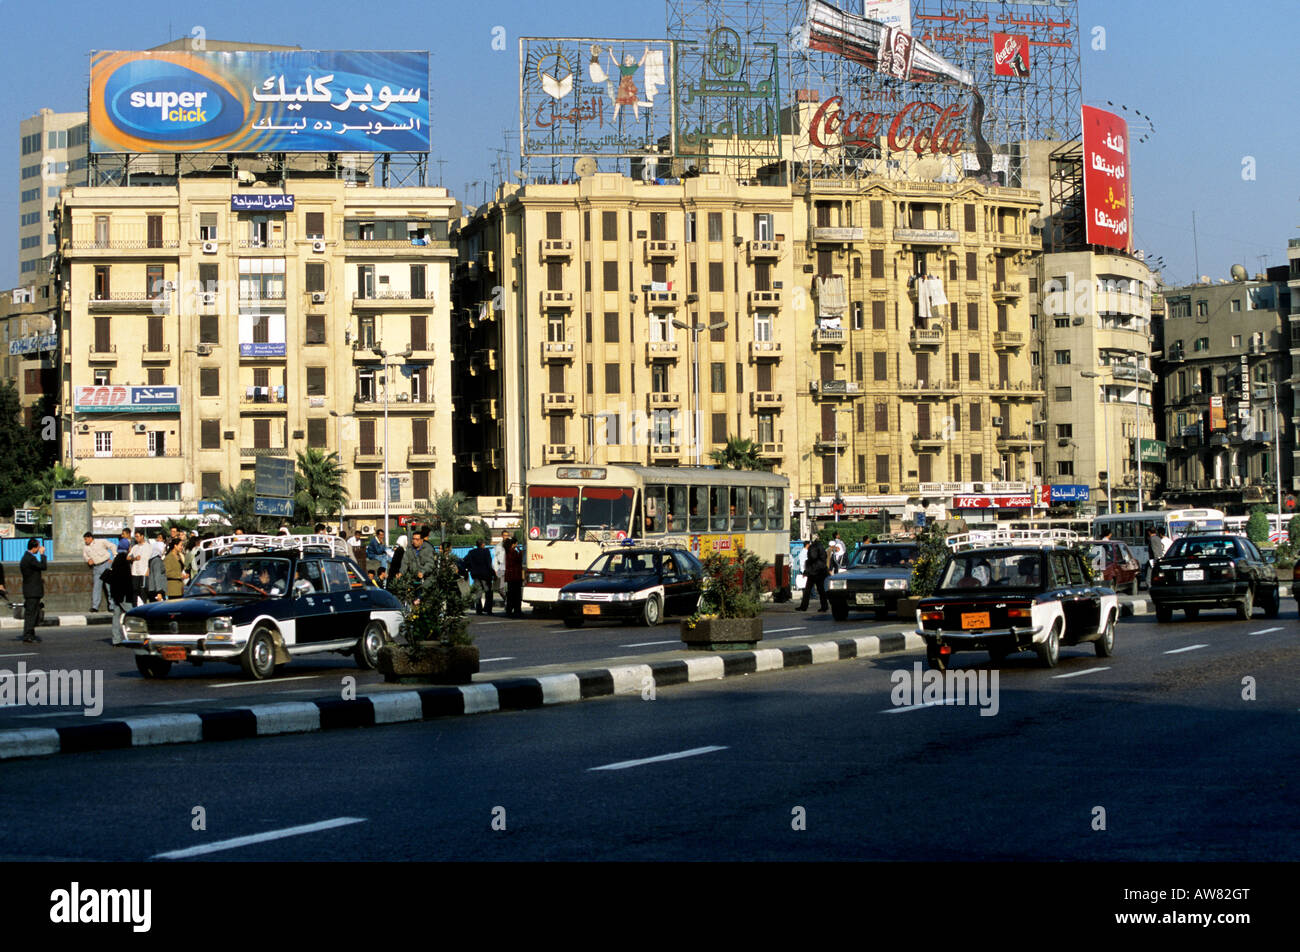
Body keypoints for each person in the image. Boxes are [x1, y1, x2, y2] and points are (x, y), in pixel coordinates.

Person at [19, 538, 46, 644]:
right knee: (31, 614)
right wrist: (42, 554)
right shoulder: (30, 559)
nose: (39, 549)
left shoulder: (26, 558)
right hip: (32, 591)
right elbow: (43, 566)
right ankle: (28, 635)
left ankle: (30, 633)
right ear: (34, 547)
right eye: (38, 547)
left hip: (30, 590)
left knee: (32, 613)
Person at [82, 531, 116, 612]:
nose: (85, 541)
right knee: (96, 587)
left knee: (109, 586)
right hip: (96, 567)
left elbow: (112, 546)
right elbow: (85, 555)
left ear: (90, 538)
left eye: (86, 539)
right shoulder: (85, 547)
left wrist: (114, 556)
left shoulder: (101, 542)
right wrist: (88, 559)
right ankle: (95, 606)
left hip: (105, 564)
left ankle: (112, 606)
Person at [107, 548, 134, 645]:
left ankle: (116, 639)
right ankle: (136, 636)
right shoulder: (125, 570)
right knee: (133, 614)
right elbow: (128, 586)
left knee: (116, 616)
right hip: (124, 597)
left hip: (116, 596)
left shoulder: (115, 569)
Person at [463, 538, 497, 614]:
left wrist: (470, 568)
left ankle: (479, 610)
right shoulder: (486, 551)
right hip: (486, 575)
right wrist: (493, 574)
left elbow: (465, 561)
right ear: (483, 544)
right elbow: (489, 564)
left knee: (478, 592)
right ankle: (488, 609)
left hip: (475, 575)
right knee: (488, 592)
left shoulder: (471, 552)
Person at [797, 534, 829, 612]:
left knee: (807, 590)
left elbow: (812, 559)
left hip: (813, 572)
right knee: (821, 590)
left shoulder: (813, 547)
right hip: (821, 571)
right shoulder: (821, 547)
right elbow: (824, 558)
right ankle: (824, 606)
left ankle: (804, 606)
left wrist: (806, 571)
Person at [127, 529, 152, 605]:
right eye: (135, 537)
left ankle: (143, 605)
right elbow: (128, 557)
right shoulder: (135, 547)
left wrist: (148, 569)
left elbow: (151, 559)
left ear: (142, 536)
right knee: (135, 590)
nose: (136, 538)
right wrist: (134, 558)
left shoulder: (149, 547)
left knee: (143, 590)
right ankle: (135, 605)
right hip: (135, 572)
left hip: (143, 571)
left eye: (138, 536)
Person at [503, 537, 524, 617]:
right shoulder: (514, 552)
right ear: (514, 544)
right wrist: (521, 551)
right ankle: (517, 609)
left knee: (510, 594)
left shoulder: (506, 552)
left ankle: (509, 609)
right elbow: (519, 560)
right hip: (516, 575)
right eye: (516, 543)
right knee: (517, 594)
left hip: (509, 575)